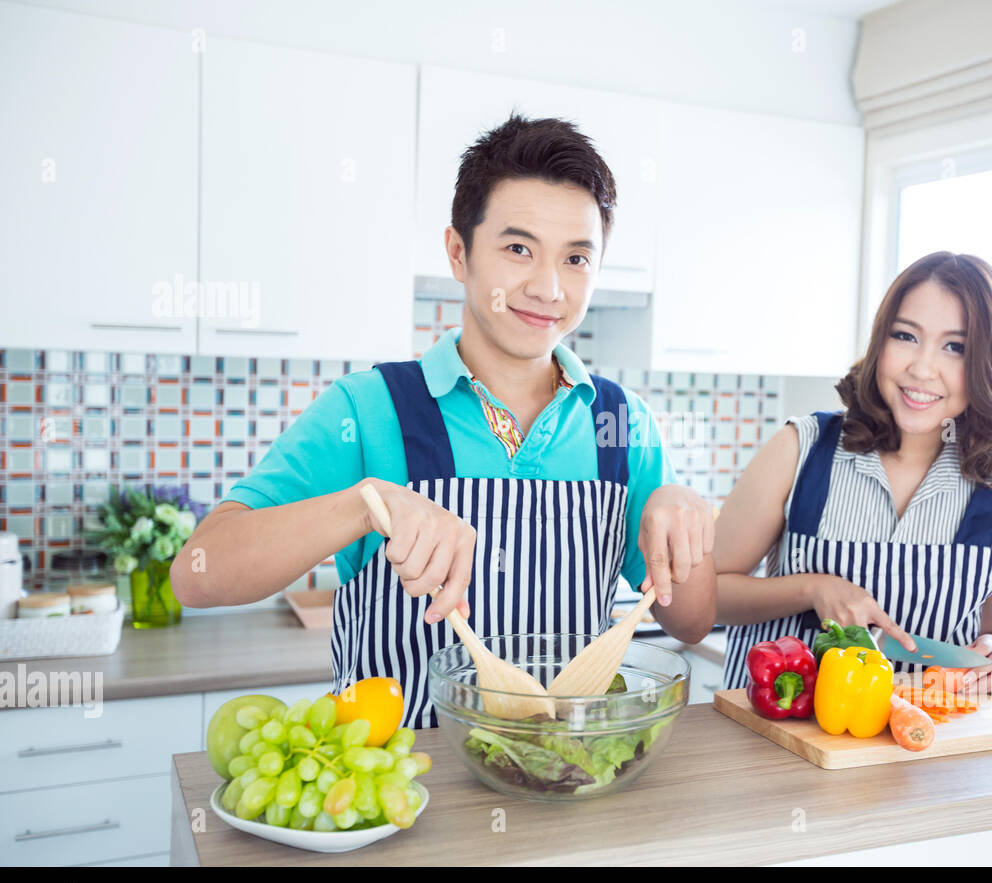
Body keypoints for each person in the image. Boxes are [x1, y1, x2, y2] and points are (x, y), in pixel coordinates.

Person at [172, 113, 716, 727]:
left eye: (576, 259)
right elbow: (200, 575)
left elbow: (691, 622)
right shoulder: (369, 408)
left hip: (564, 782)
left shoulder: (621, 423)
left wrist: (682, 514)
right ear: (459, 253)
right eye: (518, 249)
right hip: (402, 795)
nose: (548, 287)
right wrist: (365, 502)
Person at [713, 251, 992, 697]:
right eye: (905, 336)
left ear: (988, 362)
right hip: (777, 738)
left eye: (955, 347)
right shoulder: (803, 449)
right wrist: (811, 588)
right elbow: (708, 596)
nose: (922, 369)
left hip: (922, 746)